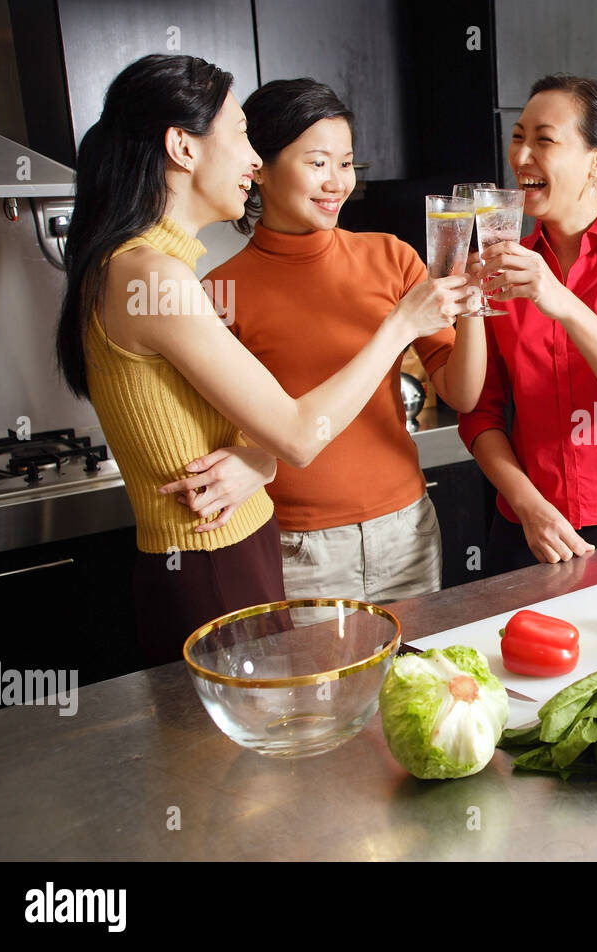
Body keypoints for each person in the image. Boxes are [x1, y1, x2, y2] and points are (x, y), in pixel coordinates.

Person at [56, 54, 471, 663]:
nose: (252, 158)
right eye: (240, 135)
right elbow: (299, 434)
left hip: (226, 548)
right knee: (259, 747)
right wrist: (401, 324)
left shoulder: (140, 268)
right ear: (183, 147)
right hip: (214, 555)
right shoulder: (154, 275)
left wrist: (260, 462)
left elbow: (240, 429)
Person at [188, 78, 486, 602]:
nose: (337, 182)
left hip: (405, 530)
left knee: (414, 681)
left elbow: (461, 394)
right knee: (313, 686)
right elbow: (225, 435)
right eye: (317, 162)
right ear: (260, 168)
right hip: (297, 549)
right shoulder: (220, 291)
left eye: (346, 163)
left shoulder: (392, 257)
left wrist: (475, 303)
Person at [458, 75, 597, 572]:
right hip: (528, 527)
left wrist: (557, 298)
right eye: (518, 137)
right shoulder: (495, 267)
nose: (521, 158)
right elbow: (479, 413)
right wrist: (528, 505)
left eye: (544, 140)